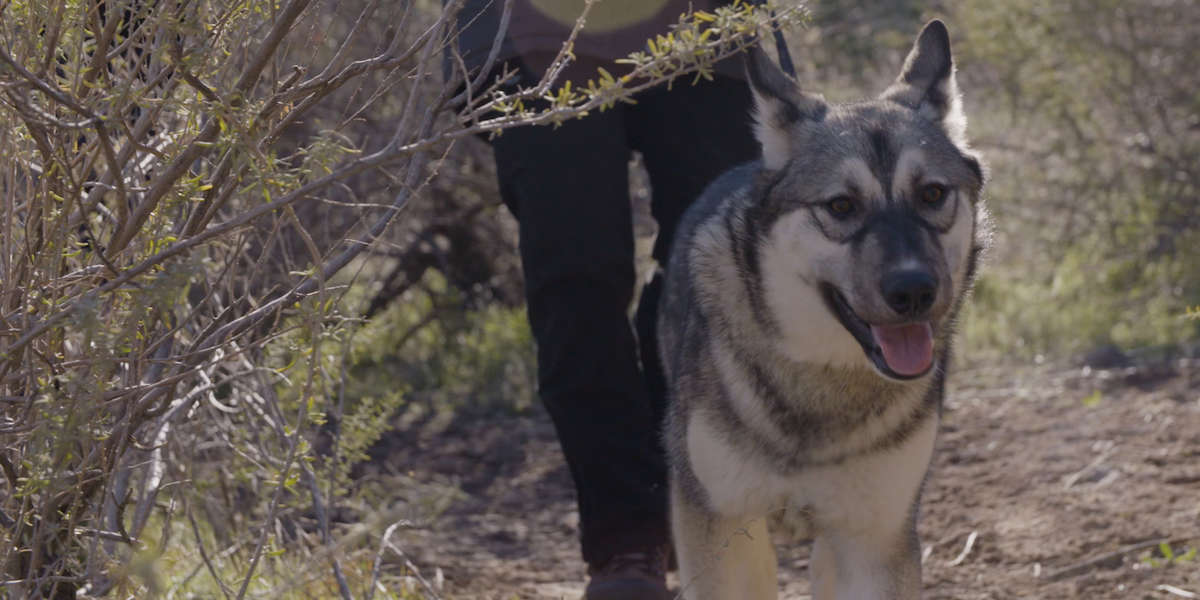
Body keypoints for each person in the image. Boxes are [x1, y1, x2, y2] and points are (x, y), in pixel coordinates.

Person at [450, 2, 760, 597]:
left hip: (704, 25)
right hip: (532, 30)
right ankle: (628, 539)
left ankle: (685, 500)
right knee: (576, 279)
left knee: (713, 266)